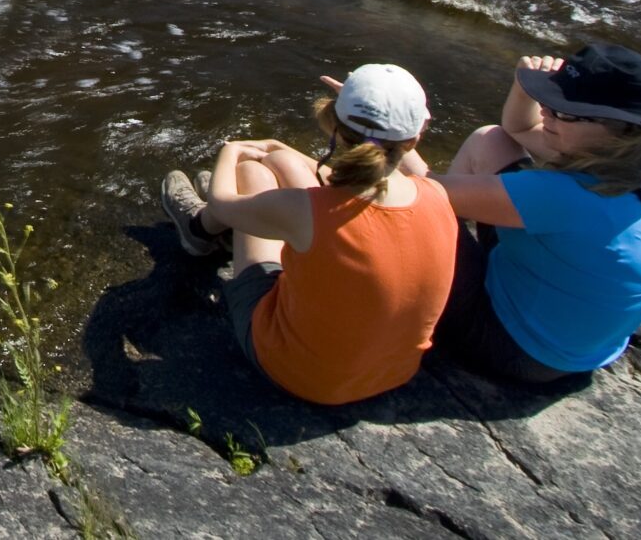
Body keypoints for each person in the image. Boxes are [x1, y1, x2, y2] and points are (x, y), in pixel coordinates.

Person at [159, 64, 460, 405]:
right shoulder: (436, 195)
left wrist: (231, 150)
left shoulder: (307, 211)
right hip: (392, 373)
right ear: (416, 137)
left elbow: (223, 202)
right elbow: (351, 191)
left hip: (301, 375)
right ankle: (235, 223)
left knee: (249, 173)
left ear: (335, 127)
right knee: (283, 165)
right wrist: (281, 152)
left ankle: (198, 230)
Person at [415, 44, 641, 386]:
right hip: (576, 346)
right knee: (490, 140)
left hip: (514, 351)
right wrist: (525, 86)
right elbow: (518, 130)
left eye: (565, 112)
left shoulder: (565, 197)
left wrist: (390, 136)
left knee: (424, 215)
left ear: (619, 128)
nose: (547, 114)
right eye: (551, 103)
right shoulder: (631, 169)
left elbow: (422, 193)